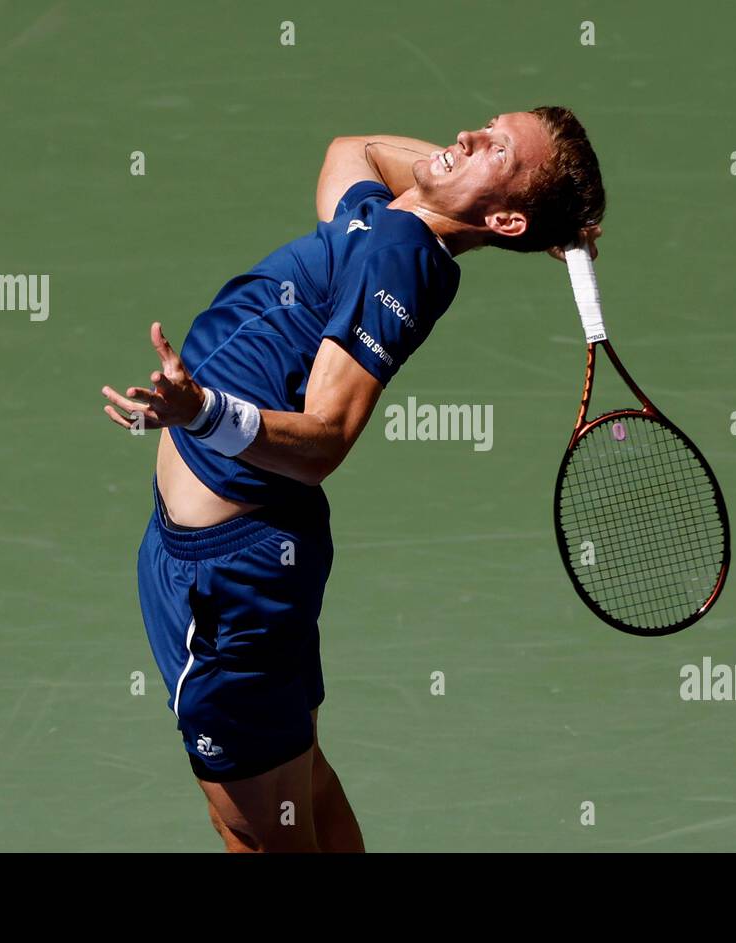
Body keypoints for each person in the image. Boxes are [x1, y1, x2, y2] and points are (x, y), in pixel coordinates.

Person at [100, 107, 605, 852]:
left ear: (503, 217)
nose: (463, 136)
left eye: (495, 148)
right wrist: (512, 207)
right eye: (486, 123)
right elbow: (353, 150)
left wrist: (201, 411)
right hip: (230, 561)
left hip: (231, 587)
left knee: (261, 835)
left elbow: (326, 439)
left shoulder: (397, 260)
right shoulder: (388, 222)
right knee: (300, 793)